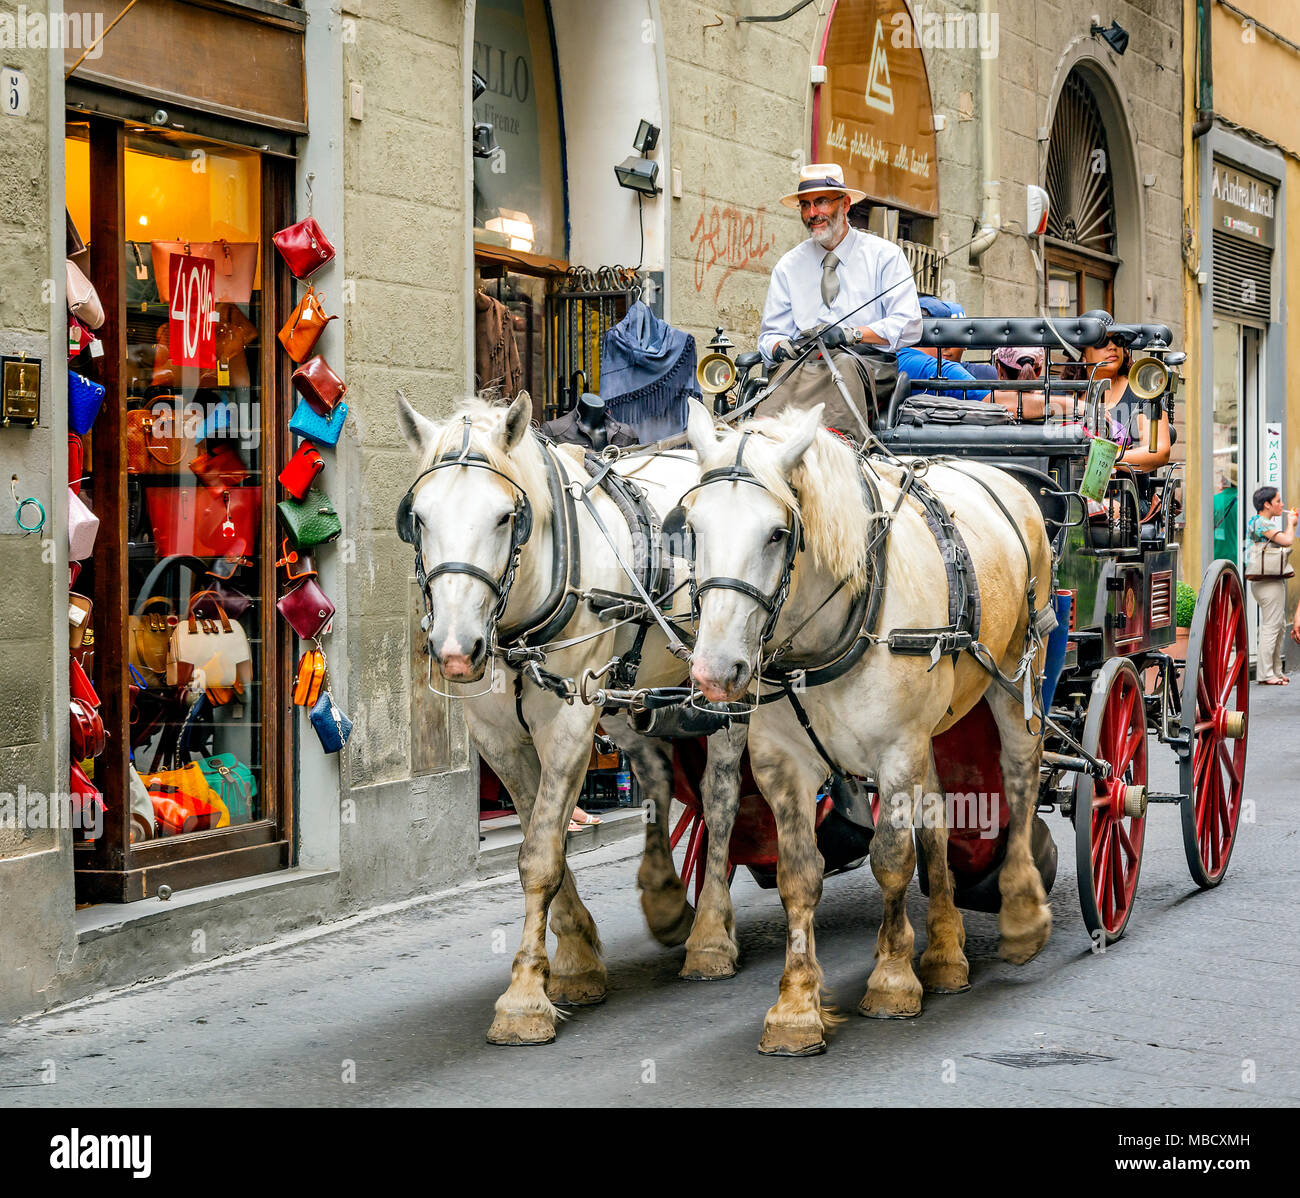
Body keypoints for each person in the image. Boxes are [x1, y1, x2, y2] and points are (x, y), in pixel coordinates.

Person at [756, 163, 921, 434]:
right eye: (805, 205)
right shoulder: (789, 266)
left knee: (842, 365)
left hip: (866, 366)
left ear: (845, 204)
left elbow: (910, 324)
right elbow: (770, 335)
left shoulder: (885, 256)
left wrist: (851, 334)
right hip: (804, 364)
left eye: (821, 202)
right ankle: (762, 442)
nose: (813, 213)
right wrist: (779, 347)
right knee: (783, 378)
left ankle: (839, 444)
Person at [1078, 312, 1171, 472]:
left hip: (1124, 491)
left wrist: (1102, 457)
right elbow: (1019, 403)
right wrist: (1075, 406)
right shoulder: (1065, 391)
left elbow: (1160, 451)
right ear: (1083, 355)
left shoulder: (1142, 391)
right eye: (1102, 341)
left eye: (1118, 341)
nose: (1112, 346)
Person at [1246, 485, 1296, 685]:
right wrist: (1291, 523)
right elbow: (1287, 540)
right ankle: (1266, 674)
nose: (1281, 504)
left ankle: (1275, 671)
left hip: (1269, 581)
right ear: (1267, 504)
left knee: (1279, 625)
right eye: (1277, 501)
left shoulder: (1258, 521)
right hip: (1267, 582)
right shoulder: (1262, 523)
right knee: (1271, 627)